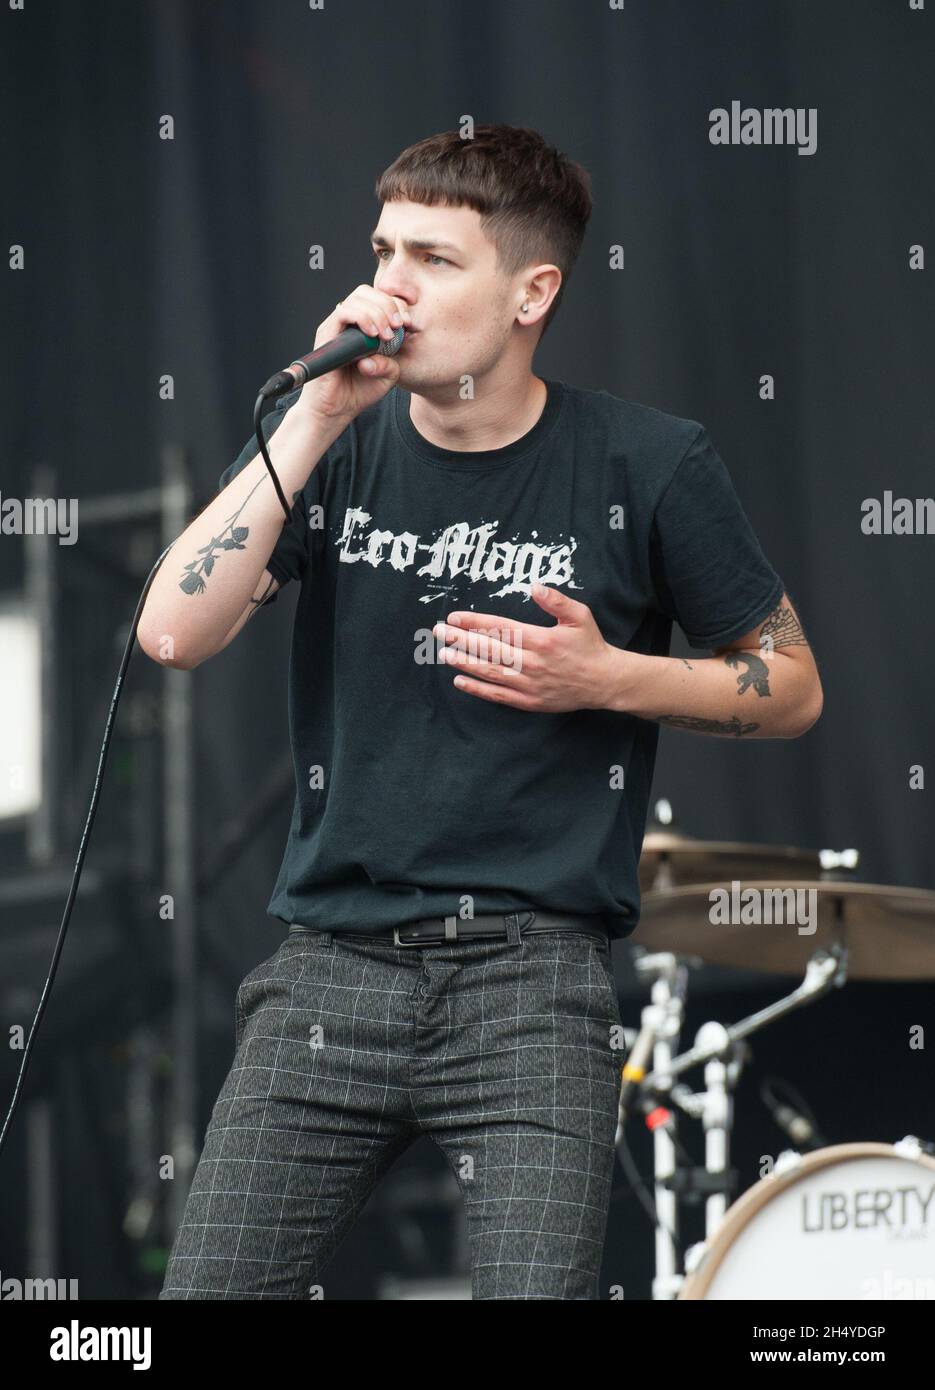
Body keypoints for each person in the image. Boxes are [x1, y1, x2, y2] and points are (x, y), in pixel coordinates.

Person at [142, 124, 823, 1300]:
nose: (387, 284)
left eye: (433, 259)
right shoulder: (331, 456)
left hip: (530, 985)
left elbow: (792, 683)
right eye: (380, 247)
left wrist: (603, 676)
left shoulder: (644, 463)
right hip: (329, 972)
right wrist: (312, 419)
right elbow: (169, 631)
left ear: (530, 292)